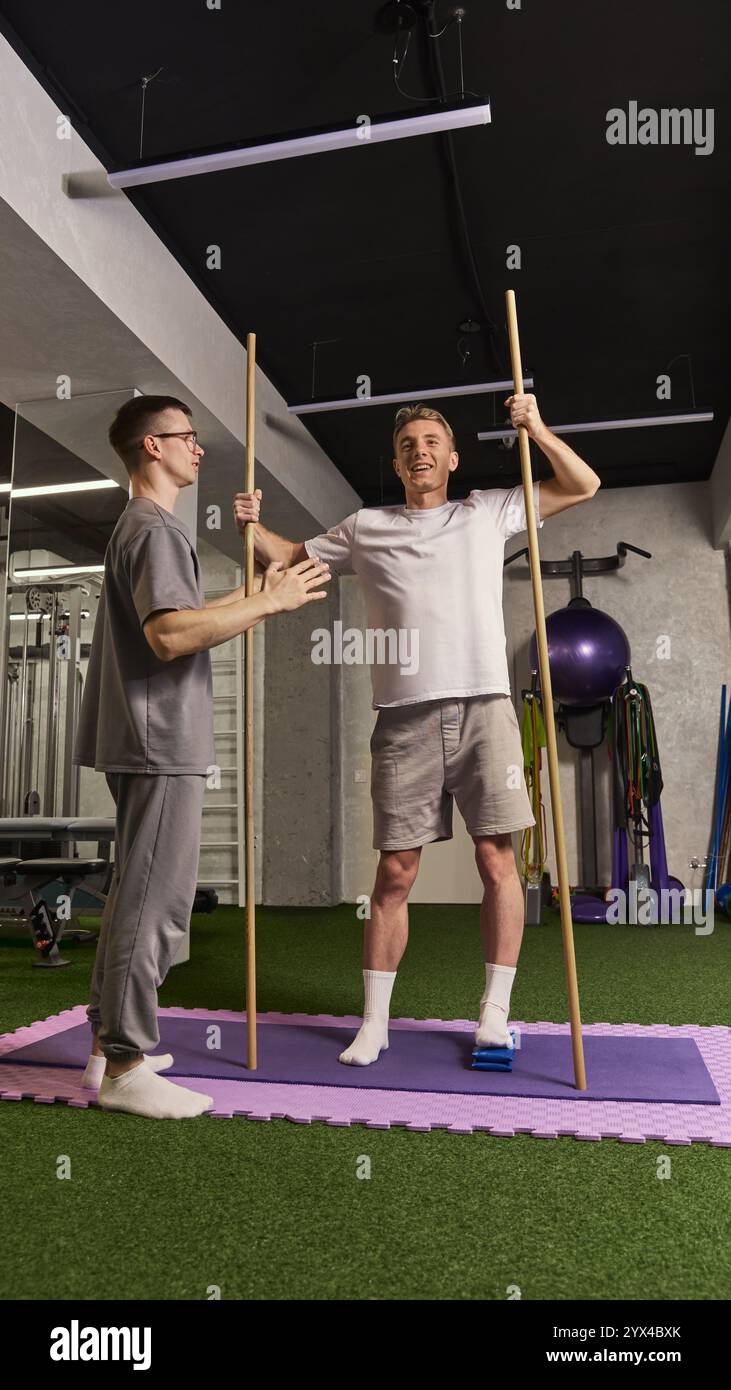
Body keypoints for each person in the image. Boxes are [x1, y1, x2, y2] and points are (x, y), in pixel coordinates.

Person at [234, 393, 600, 1066]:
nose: (419, 451)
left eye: (431, 441)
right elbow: (286, 558)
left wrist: (536, 428)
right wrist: (253, 527)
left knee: (497, 865)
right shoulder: (365, 526)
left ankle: (493, 1012)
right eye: (407, 445)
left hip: (484, 707)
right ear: (397, 462)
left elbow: (582, 484)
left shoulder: (486, 511)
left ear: (452, 457)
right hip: (402, 715)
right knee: (396, 873)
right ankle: (373, 1023)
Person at [73, 395, 330, 1118]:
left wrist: (258, 587)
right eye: (186, 436)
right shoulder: (154, 529)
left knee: (135, 892)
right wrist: (270, 606)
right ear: (151, 447)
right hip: (160, 740)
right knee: (154, 902)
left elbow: (189, 617)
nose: (199, 447)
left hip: (147, 736)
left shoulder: (145, 527)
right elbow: (169, 637)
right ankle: (126, 1065)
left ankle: (105, 1048)